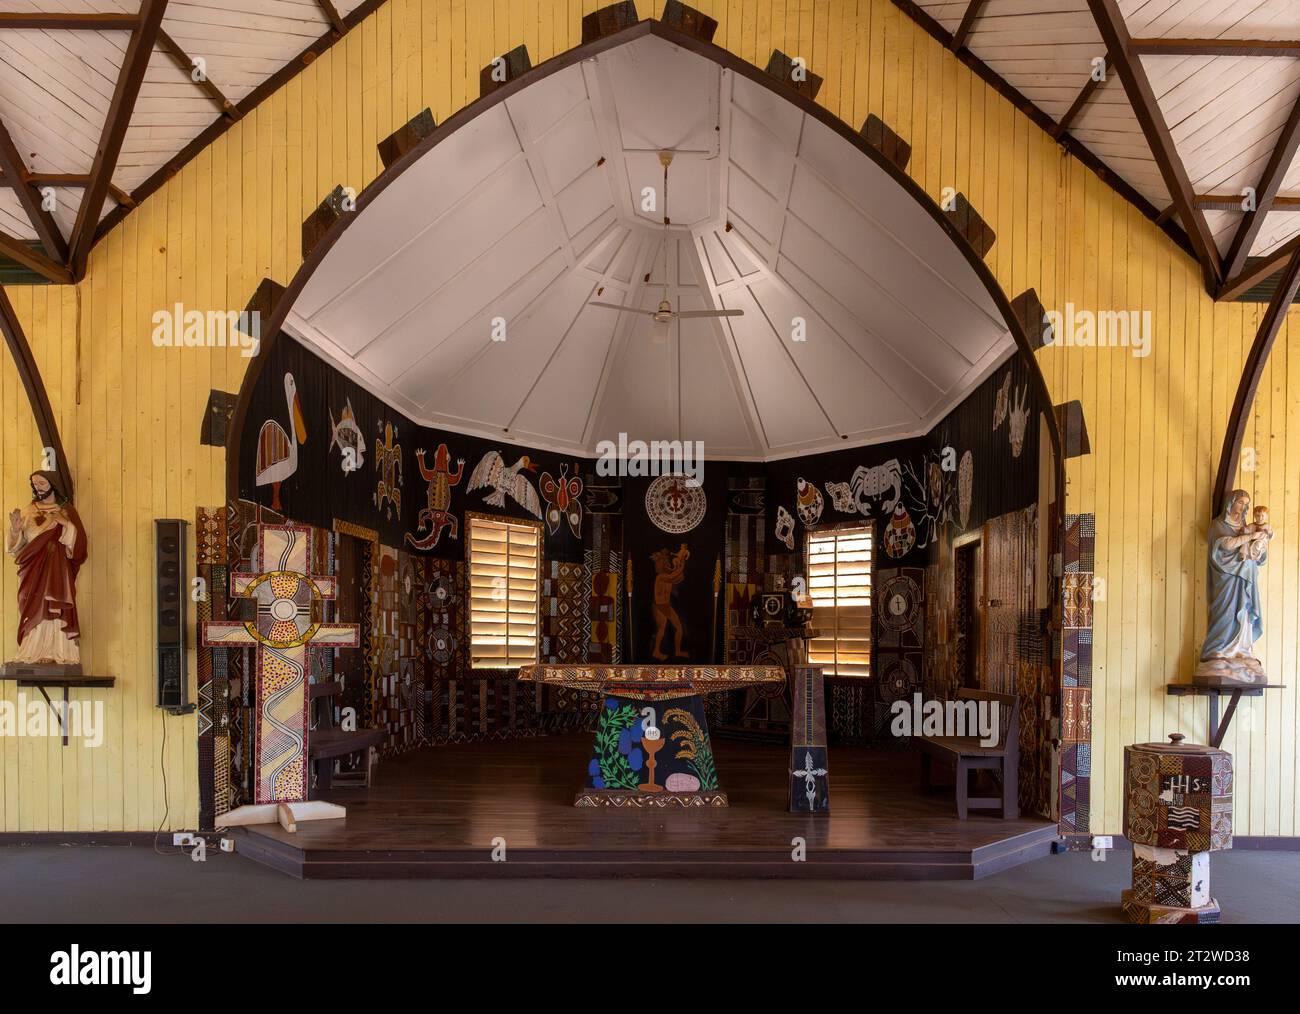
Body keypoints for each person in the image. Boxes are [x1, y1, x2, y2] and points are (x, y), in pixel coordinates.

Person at [6, 470, 87, 666]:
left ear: (53, 484)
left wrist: (66, 524)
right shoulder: (28, 511)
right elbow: (15, 549)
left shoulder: (66, 510)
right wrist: (16, 531)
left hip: (57, 569)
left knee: (55, 603)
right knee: (32, 603)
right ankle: (31, 652)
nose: (38, 487)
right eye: (35, 484)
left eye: (42, 483)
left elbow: (80, 545)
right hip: (32, 569)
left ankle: (58, 651)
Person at [1194, 489, 1271, 685]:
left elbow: (1259, 559)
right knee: (1226, 613)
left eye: (1246, 505)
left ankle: (1241, 651)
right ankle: (1217, 652)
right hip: (1225, 581)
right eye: (1240, 503)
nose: (1243, 508)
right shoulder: (1218, 525)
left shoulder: (1247, 527)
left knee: (1243, 614)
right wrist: (1250, 537)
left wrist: (1261, 544)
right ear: (1230, 504)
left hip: (1245, 580)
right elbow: (1223, 548)